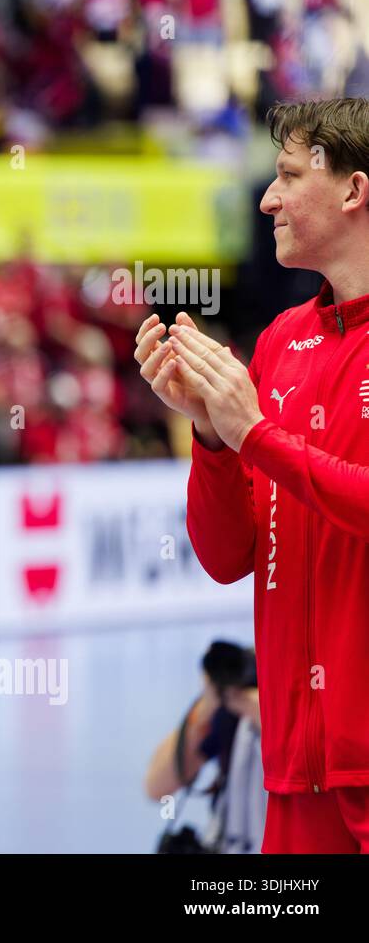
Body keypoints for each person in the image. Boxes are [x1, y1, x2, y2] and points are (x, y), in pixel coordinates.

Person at [135, 97, 369, 853]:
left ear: (354, 191)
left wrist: (255, 435)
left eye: (288, 176)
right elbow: (229, 557)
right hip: (293, 769)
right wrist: (211, 434)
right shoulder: (280, 341)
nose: (267, 198)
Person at [145, 641, 266, 853]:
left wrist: (257, 707)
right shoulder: (229, 711)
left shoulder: (297, 699)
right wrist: (206, 708)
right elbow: (156, 786)